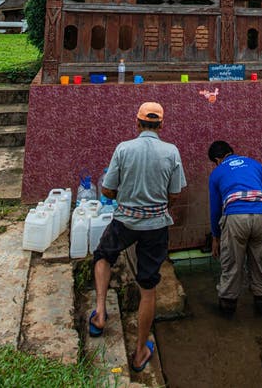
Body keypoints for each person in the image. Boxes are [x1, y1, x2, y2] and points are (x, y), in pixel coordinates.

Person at [90, 102, 186, 373]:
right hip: (156, 226)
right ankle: (141, 350)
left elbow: (108, 190)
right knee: (148, 287)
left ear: (137, 123)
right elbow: (175, 193)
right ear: (162, 125)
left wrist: (126, 198)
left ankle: (99, 312)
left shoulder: (124, 149)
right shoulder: (171, 152)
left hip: (125, 222)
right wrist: (157, 205)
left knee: (103, 256)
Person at [208, 140, 262, 316]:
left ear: (217, 159)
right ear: (231, 151)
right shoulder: (255, 164)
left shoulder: (217, 173)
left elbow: (216, 210)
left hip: (235, 217)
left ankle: (227, 314)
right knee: (260, 264)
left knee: (231, 266)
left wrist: (216, 237)